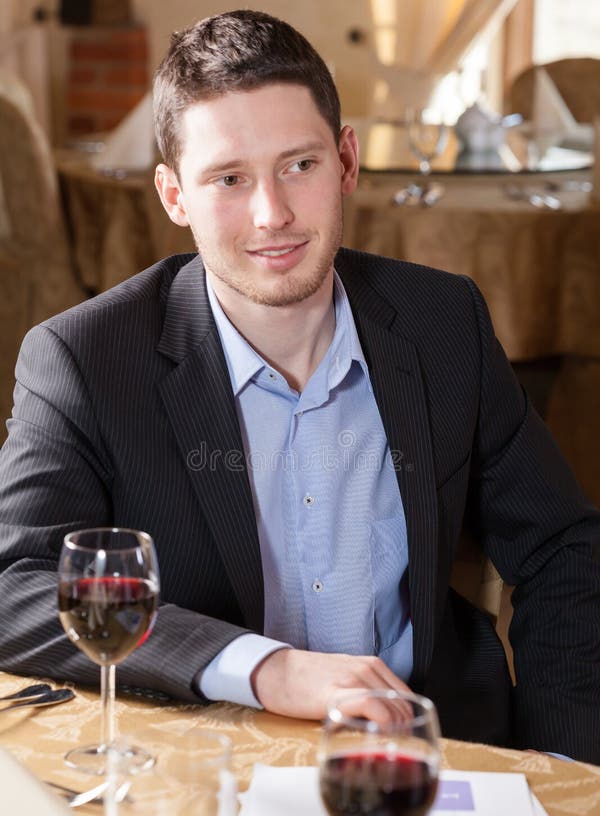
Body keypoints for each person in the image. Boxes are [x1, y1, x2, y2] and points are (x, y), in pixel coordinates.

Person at [0, 10, 598, 763]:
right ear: (174, 195)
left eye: (300, 165)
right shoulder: (82, 358)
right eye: (228, 178)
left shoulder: (446, 321)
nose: (272, 214)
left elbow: (563, 551)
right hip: (204, 765)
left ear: (345, 161)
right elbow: (13, 591)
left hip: (436, 756)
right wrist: (264, 667)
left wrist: (567, 771)